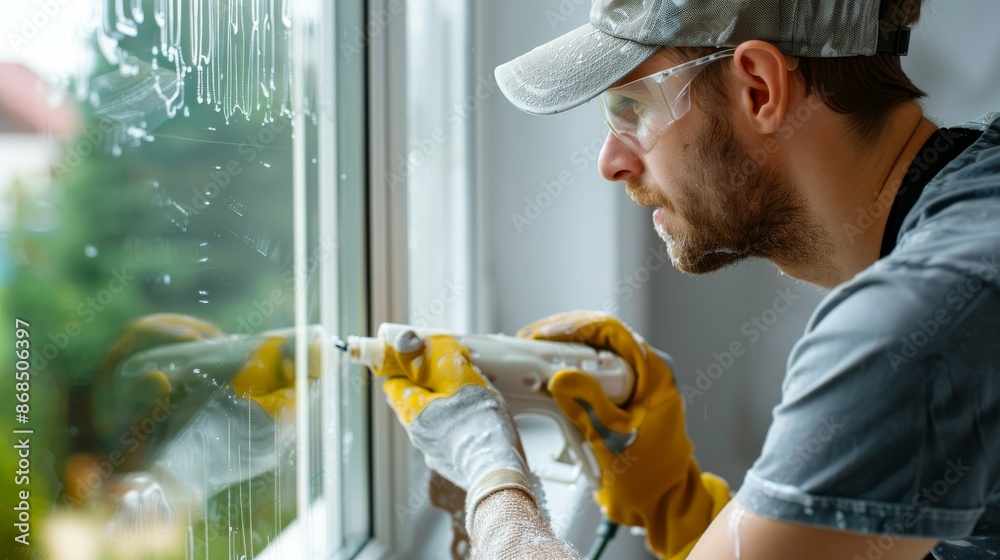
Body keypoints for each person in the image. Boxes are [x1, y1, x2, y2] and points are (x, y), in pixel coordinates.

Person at [372, 0, 1000, 558]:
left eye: (631, 109)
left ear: (759, 89)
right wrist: (677, 505)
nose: (611, 163)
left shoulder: (912, 323)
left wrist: (493, 483)